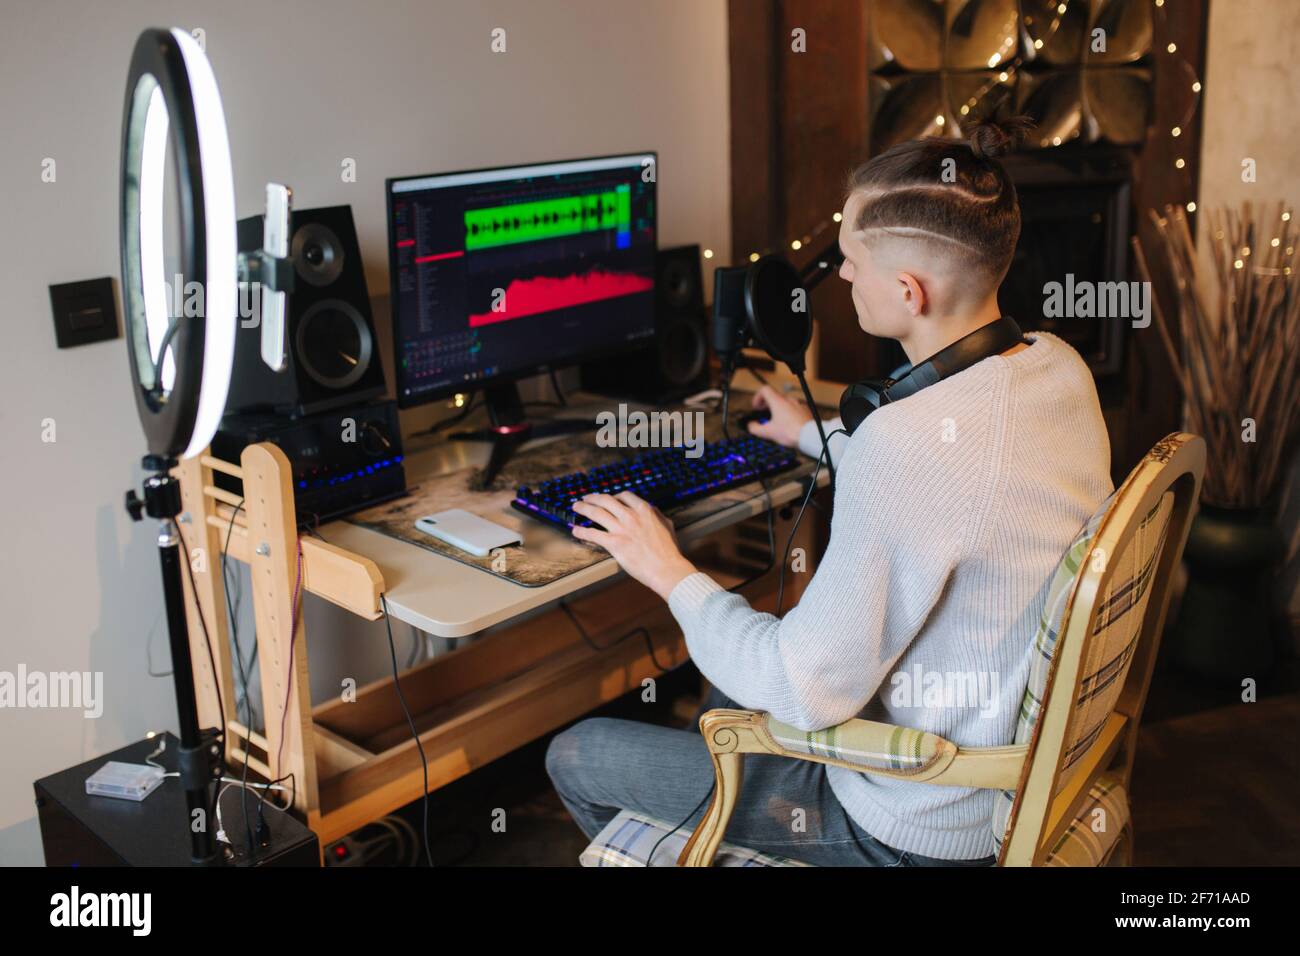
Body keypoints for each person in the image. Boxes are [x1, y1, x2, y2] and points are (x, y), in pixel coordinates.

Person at [545, 118, 1113, 866]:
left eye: (849, 260)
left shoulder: (904, 446)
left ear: (908, 291)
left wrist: (667, 570)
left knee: (578, 752)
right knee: (727, 681)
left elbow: (804, 689)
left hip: (915, 824)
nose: (841, 277)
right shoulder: (1056, 367)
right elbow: (958, 480)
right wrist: (810, 435)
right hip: (1010, 767)